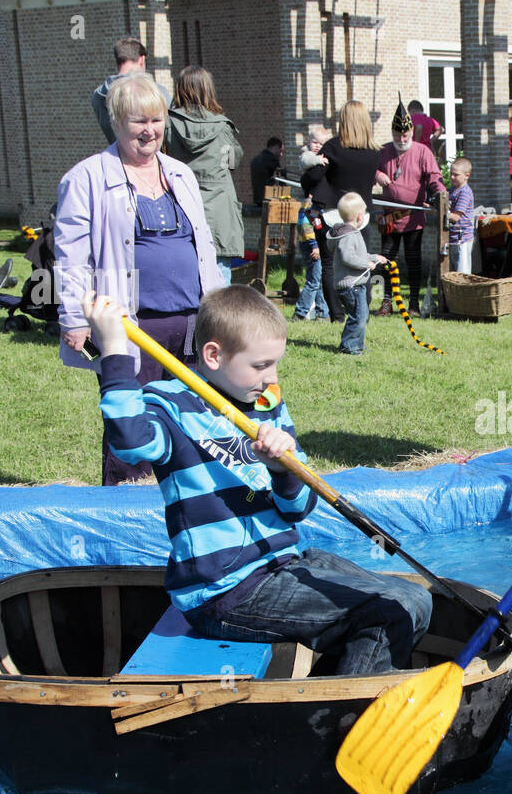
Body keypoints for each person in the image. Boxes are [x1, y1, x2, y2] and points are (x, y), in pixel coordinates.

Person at [81, 283, 431, 674]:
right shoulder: (171, 406)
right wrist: (114, 349)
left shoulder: (267, 404)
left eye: (275, 363)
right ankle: (349, 715)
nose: (270, 377)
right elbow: (129, 444)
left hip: (280, 563)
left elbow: (297, 510)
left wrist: (283, 471)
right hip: (224, 591)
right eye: (261, 365)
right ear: (213, 355)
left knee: (415, 598)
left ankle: (346, 681)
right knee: (386, 614)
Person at [56, 72, 219, 486]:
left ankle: (186, 502)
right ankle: (125, 509)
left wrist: (219, 309)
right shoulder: (86, 178)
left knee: (191, 423)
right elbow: (72, 256)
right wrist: (74, 317)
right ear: (116, 122)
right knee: (131, 427)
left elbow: (204, 246)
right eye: (138, 122)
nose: (149, 131)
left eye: (156, 121)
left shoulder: (180, 173)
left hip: (191, 324)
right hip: (131, 327)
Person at [300, 101, 381, 324]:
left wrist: (306, 179)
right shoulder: (374, 152)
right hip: (360, 215)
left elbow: (314, 176)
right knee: (361, 262)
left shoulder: (334, 147)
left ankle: (336, 315)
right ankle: (361, 313)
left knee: (329, 264)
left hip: (333, 214)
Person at [163, 65, 244, 286]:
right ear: (208, 90)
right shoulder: (223, 127)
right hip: (219, 211)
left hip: (180, 206)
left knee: (185, 279)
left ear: (180, 89)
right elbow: (232, 163)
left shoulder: (167, 124)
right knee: (220, 281)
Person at [375, 98, 444, 315]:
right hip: (389, 215)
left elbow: (434, 176)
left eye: (405, 135)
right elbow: (369, 170)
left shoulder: (423, 151)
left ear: (411, 132)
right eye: (397, 136)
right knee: (386, 258)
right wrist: (378, 174)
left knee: (413, 260)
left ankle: (413, 303)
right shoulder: (384, 151)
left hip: (414, 215)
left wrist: (439, 191)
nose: (401, 139)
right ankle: (386, 302)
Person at [328, 192, 387, 356]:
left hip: (355, 284)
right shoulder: (348, 236)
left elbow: (359, 255)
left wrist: (375, 258)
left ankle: (357, 344)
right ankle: (348, 346)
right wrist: (365, 264)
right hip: (350, 285)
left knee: (362, 315)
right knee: (358, 316)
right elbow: (349, 258)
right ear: (360, 216)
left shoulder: (351, 233)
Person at [91, 37, 171, 147]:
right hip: (151, 157)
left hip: (116, 155)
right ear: (142, 60)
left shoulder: (98, 96)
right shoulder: (158, 92)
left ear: (117, 62)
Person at [292, 198, 329, 322]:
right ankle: (300, 313)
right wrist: (315, 245)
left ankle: (323, 313)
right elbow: (306, 225)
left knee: (318, 281)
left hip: (309, 244)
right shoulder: (311, 203)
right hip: (312, 246)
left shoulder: (309, 202)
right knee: (314, 281)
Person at [447, 156, 475, 275]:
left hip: (461, 239)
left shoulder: (465, 193)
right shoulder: (453, 190)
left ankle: (464, 294)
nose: (452, 177)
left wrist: (440, 212)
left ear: (466, 175)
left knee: (462, 274)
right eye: (451, 174)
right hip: (452, 237)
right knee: (452, 273)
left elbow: (455, 217)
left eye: (456, 175)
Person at [250, 138, 284, 207]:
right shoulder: (272, 160)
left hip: (258, 199)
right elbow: (281, 179)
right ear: (276, 147)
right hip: (270, 199)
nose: (281, 154)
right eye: (281, 151)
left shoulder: (256, 159)